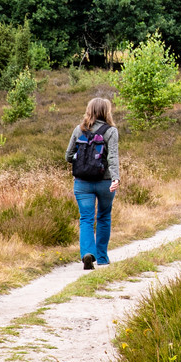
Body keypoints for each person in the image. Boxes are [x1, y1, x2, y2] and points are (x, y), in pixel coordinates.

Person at [65, 96, 120, 269]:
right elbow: (112, 157)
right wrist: (116, 178)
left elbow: (68, 156)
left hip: (82, 183)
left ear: (89, 110)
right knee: (104, 216)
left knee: (86, 219)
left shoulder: (78, 129)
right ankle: (102, 257)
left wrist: (82, 161)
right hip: (105, 183)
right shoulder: (111, 131)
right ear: (106, 112)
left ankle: (88, 253)